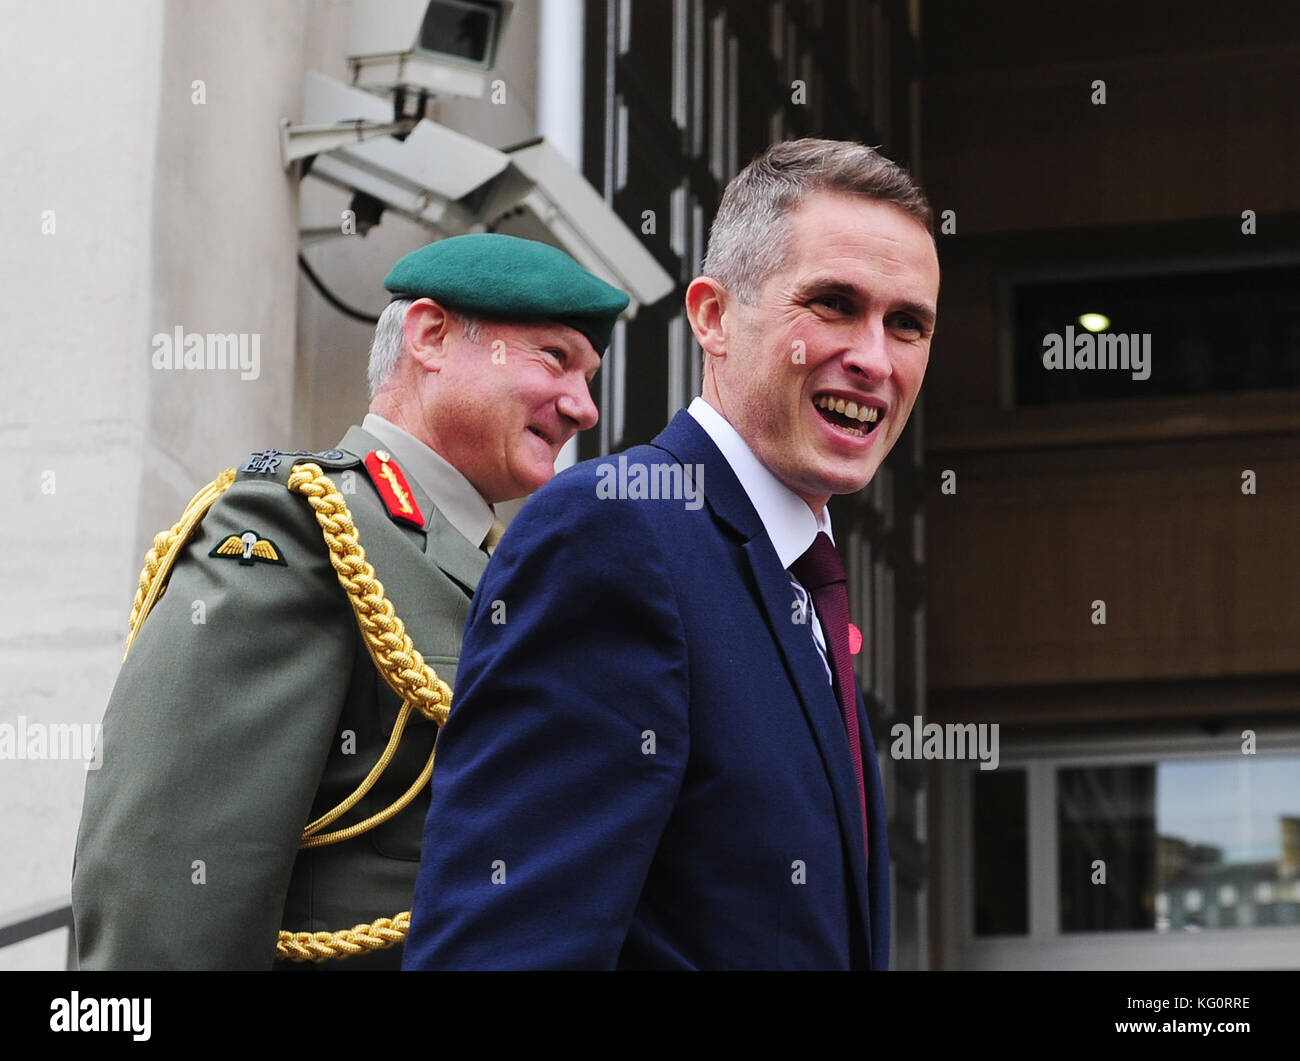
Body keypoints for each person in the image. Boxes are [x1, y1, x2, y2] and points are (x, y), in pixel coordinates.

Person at [402, 139, 941, 970]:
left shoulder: (797, 583)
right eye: (834, 303)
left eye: (907, 323)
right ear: (713, 317)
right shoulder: (614, 535)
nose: (875, 358)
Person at [71, 233, 629, 970]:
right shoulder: (299, 523)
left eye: (591, 379)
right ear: (430, 336)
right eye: (556, 358)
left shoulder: (504, 574)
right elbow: (166, 873)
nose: (584, 408)